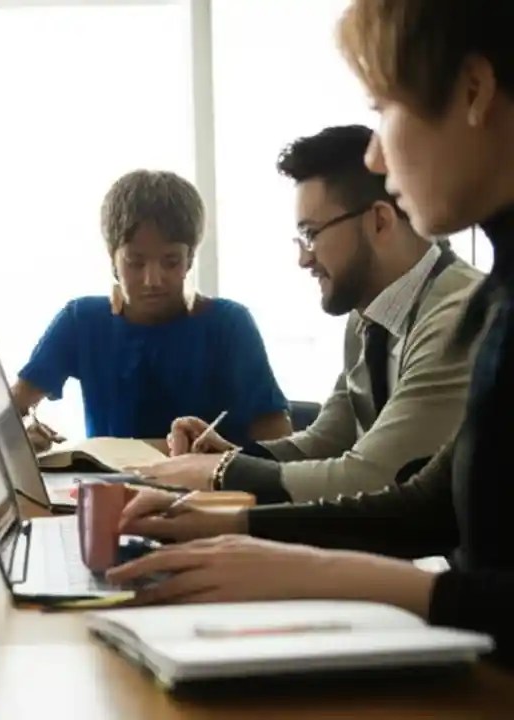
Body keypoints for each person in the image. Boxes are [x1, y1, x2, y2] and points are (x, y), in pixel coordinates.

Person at [107, 0, 514, 662]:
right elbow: (428, 504)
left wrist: (305, 563)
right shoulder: (494, 302)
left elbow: (386, 482)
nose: (378, 153)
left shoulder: (472, 311)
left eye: (384, 108)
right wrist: (225, 525)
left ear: (473, 91)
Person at [131, 127, 483, 503]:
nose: (304, 258)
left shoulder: (458, 316)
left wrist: (221, 473)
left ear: (379, 221)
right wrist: (230, 456)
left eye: (312, 234)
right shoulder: (369, 314)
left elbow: (372, 475)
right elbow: (324, 442)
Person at [12, 170, 291, 450]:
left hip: (207, 489)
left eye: (171, 262)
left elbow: (278, 439)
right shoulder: (82, 320)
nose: (153, 280)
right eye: (135, 262)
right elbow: (11, 410)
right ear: (113, 259)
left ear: (190, 259)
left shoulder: (228, 324)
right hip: (112, 489)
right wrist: (21, 437)